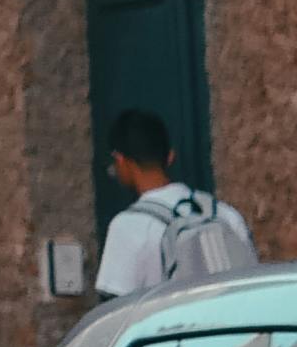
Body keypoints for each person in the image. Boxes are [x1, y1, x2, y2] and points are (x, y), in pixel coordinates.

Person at [94, 108, 258, 300]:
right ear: (170, 156)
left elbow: (113, 310)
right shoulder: (225, 214)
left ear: (120, 160)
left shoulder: (127, 226)